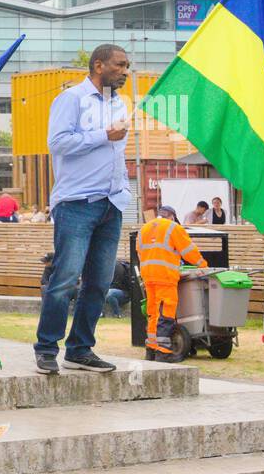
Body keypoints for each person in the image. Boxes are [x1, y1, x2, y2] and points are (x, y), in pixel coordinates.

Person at [35, 43, 132, 375]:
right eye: (119, 65)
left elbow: (116, 154)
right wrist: (104, 134)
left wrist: (124, 189)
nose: (125, 71)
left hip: (111, 204)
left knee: (99, 283)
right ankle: (47, 348)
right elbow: (58, 143)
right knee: (64, 279)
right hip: (77, 204)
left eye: (127, 66)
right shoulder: (71, 99)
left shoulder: (120, 103)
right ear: (99, 65)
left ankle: (80, 349)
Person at [139, 206, 207, 361]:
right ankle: (163, 352)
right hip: (165, 276)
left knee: (153, 313)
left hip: (148, 276)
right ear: (172, 217)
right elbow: (188, 250)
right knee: (165, 313)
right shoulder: (173, 227)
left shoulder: (144, 229)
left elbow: (140, 252)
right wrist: (203, 264)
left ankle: (151, 350)